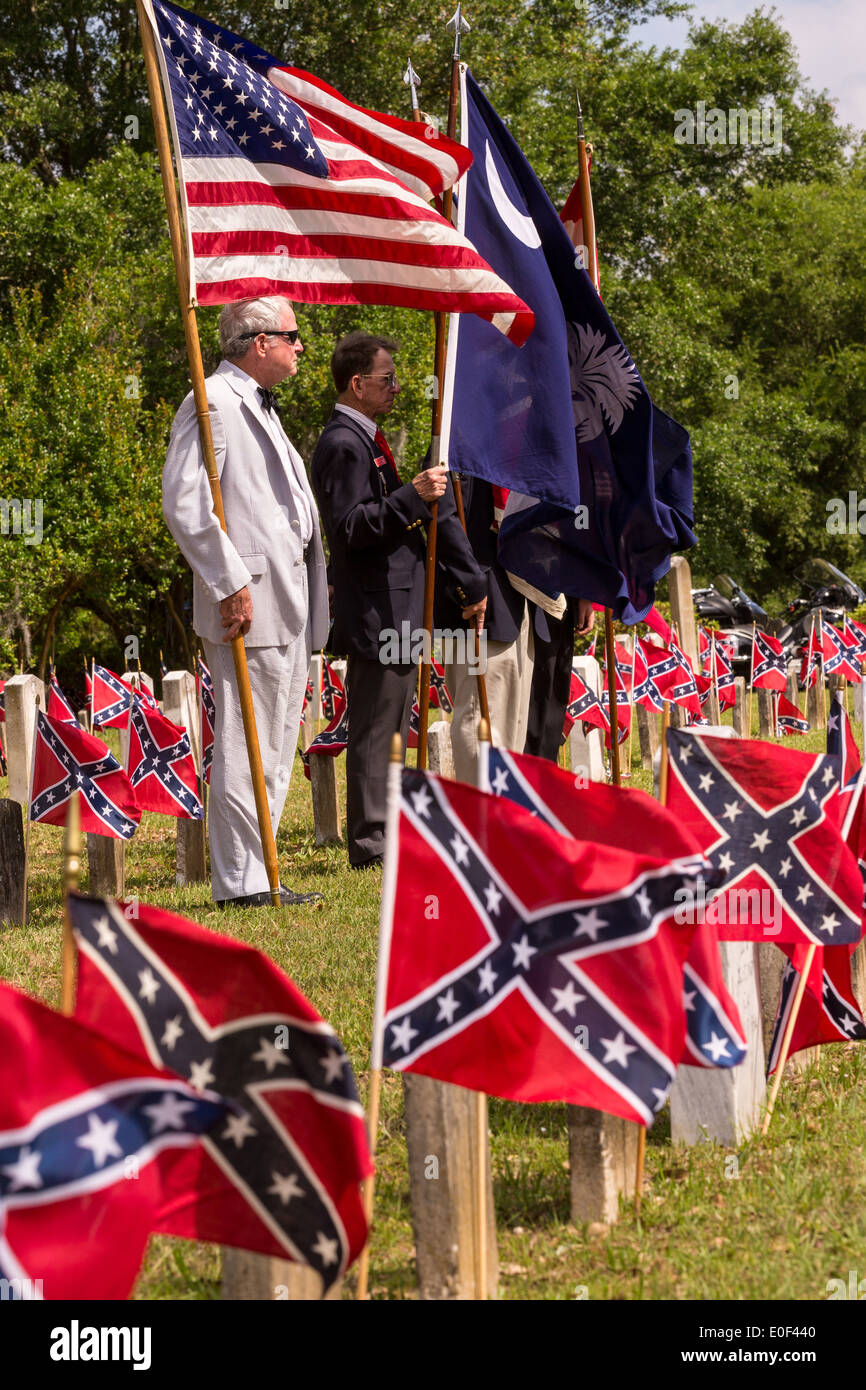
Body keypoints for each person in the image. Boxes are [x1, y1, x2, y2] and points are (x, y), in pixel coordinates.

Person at [162, 295, 329, 907]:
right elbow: (184, 503)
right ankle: (238, 883)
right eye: (292, 336)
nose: (300, 346)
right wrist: (228, 581)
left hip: (288, 599)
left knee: (280, 740)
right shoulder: (211, 400)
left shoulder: (259, 403)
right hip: (247, 600)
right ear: (260, 343)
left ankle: (263, 870)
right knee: (243, 741)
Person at [311, 331, 487, 868]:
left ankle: (388, 831)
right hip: (374, 609)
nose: (396, 388)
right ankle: (370, 844)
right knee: (374, 730)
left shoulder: (368, 439)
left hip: (397, 608)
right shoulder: (344, 443)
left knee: (389, 725)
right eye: (387, 380)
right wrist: (414, 495)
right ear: (357, 383)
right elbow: (350, 528)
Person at [434, 476, 533, 784]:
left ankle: (502, 816)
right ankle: (480, 821)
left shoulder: (512, 436)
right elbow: (443, 514)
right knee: (480, 724)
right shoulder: (455, 436)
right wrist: (472, 585)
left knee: (511, 724)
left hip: (519, 592)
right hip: (478, 603)